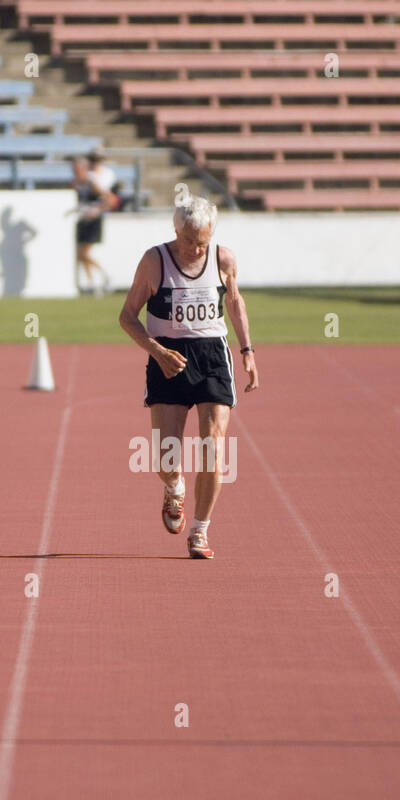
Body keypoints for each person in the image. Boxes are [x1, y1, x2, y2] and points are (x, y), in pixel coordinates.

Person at [118, 196, 258, 559]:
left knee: (213, 447)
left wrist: (247, 350)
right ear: (176, 230)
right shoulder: (154, 261)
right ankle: (175, 487)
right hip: (167, 357)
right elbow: (128, 316)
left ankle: (199, 531)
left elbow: (235, 302)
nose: (196, 249)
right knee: (167, 458)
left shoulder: (223, 259)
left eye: (203, 242)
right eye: (189, 240)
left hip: (212, 355)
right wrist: (158, 352)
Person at [72, 156, 109, 295]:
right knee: (80, 254)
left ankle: (104, 276)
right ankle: (93, 284)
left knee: (84, 253)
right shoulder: (75, 183)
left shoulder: (90, 183)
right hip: (82, 221)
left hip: (93, 221)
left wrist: (97, 210)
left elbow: (106, 198)